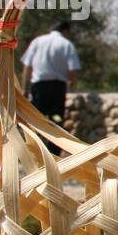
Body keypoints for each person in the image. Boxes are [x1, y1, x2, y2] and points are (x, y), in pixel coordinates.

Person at [20, 20, 81, 155]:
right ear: (65, 31)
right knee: (56, 119)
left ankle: (35, 151)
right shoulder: (66, 44)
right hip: (57, 88)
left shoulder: (37, 41)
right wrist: (72, 82)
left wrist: (25, 88)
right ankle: (53, 153)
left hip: (38, 87)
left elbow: (27, 66)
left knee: (37, 119)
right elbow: (73, 68)